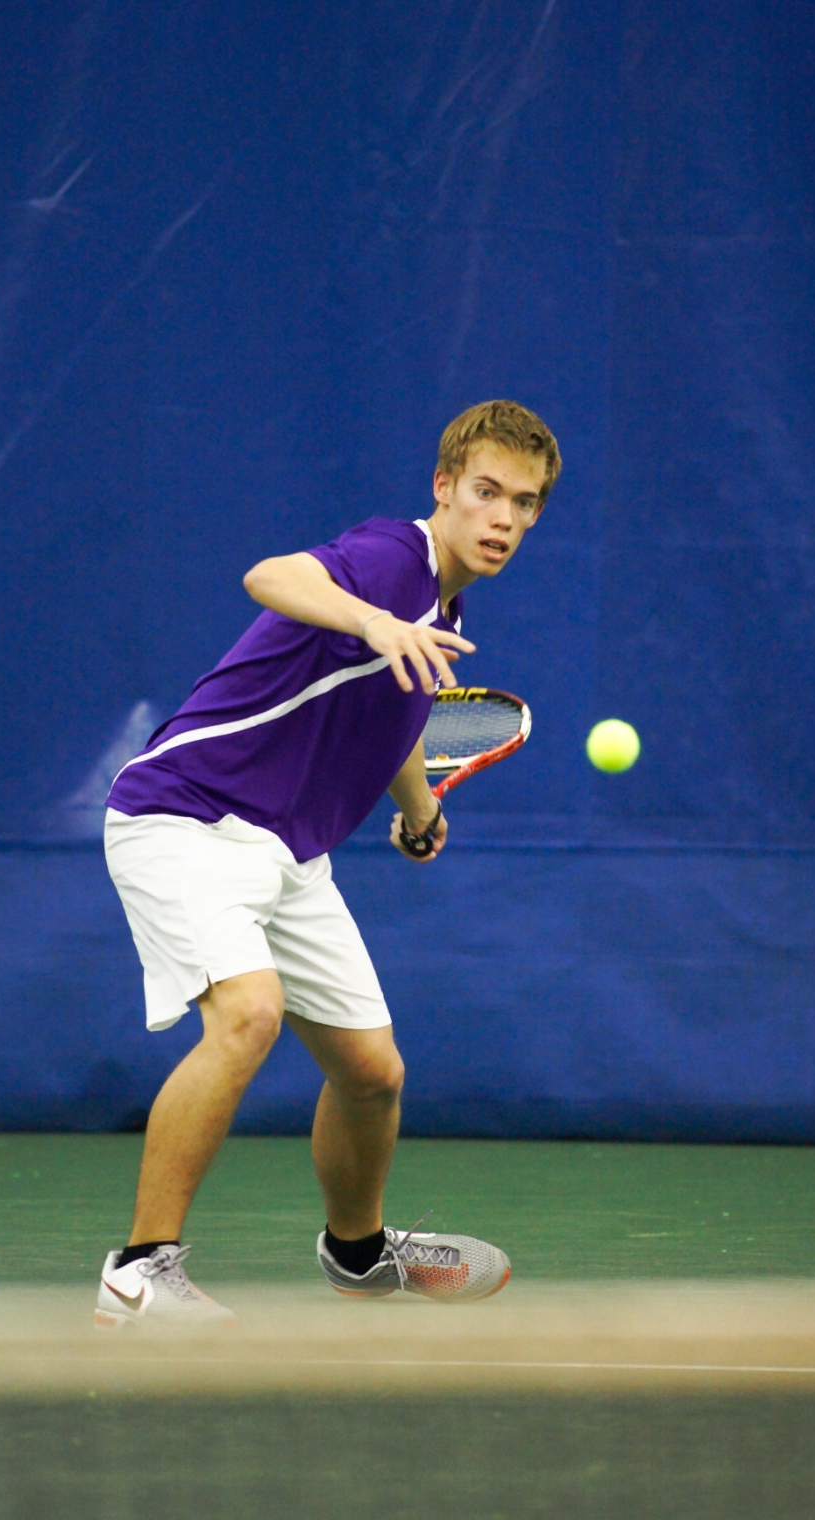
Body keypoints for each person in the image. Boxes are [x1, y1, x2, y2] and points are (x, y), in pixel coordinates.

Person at [94, 400, 562, 1326]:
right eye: (485, 492)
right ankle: (138, 1275)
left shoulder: (442, 611)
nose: (503, 516)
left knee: (372, 1073)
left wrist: (421, 811)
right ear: (445, 489)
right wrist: (374, 621)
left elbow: (390, 717)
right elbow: (269, 575)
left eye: (525, 501)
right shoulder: (394, 559)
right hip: (185, 818)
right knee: (249, 1016)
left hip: (289, 857)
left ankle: (356, 1255)